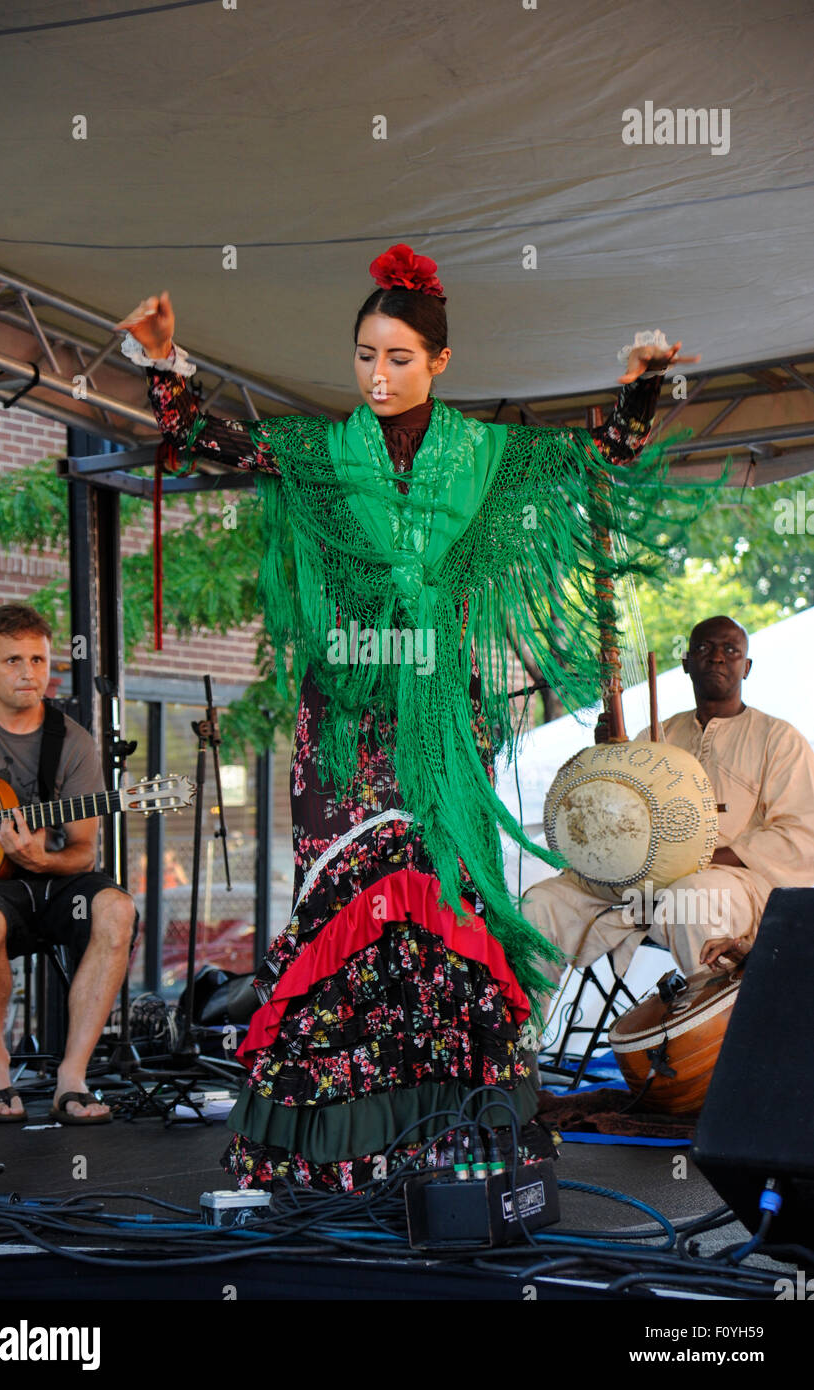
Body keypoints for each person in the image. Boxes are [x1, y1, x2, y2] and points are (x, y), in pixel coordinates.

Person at [118, 243, 696, 1189]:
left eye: (396, 357)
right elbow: (212, 437)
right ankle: (333, 1147)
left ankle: (445, 1130)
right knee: (346, 907)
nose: (377, 375)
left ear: (438, 363)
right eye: (363, 356)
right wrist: (162, 362)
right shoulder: (319, 452)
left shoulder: (489, 457)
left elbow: (601, 449)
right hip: (342, 724)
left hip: (438, 726)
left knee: (439, 908)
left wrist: (638, 391)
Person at [522, 614, 814, 985]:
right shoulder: (657, 734)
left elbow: (799, 836)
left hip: (729, 885)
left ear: (747, 667)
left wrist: (696, 859)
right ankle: (518, 1037)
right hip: (641, 888)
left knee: (690, 896)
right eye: (704, 649)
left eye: (730, 650)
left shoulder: (779, 740)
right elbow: (614, 819)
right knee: (541, 905)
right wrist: (605, 758)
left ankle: (716, 1036)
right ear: (686, 664)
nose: (718, 658)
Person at [0, 605, 138, 1124]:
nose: (28, 672)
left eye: (38, 659)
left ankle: (72, 1080)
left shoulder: (71, 740)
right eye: (12, 660)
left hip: (51, 880)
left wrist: (42, 858)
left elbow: (83, 853)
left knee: (116, 910)